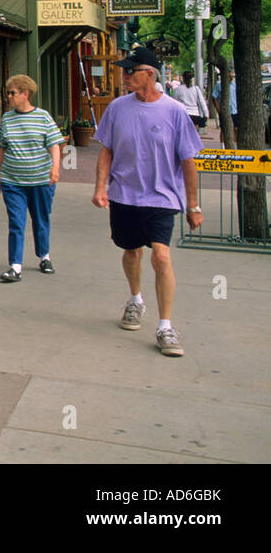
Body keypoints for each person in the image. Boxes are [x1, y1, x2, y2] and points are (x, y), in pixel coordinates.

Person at [92, 47, 202, 356]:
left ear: (150, 74)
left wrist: (193, 205)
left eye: (130, 71)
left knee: (162, 257)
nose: (124, 76)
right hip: (125, 195)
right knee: (131, 252)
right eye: (124, 71)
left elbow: (188, 163)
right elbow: (107, 151)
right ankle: (135, 299)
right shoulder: (116, 108)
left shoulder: (175, 112)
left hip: (162, 197)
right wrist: (100, 187)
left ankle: (166, 326)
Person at [0, 74, 63, 282]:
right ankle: (15, 266)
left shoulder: (43, 117)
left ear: (26, 94)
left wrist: (56, 168)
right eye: (8, 93)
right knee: (16, 222)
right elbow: (3, 148)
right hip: (12, 181)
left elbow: (54, 144)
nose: (9, 97)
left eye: (12, 93)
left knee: (41, 219)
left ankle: (44, 256)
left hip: (40, 181)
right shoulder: (7, 118)